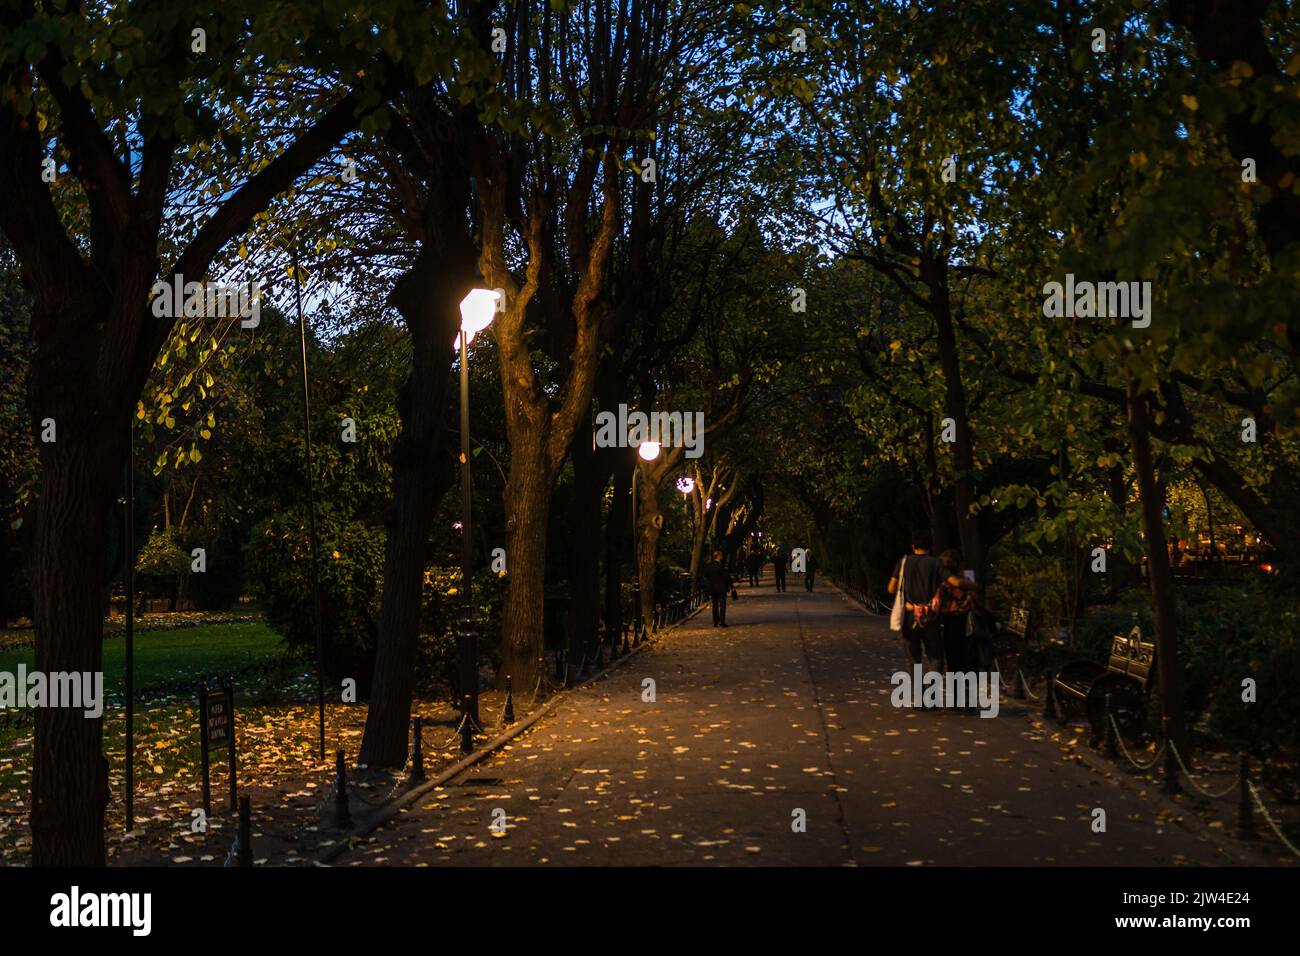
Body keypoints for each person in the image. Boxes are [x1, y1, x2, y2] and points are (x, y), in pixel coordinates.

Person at [887, 530, 943, 681]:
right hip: (931, 615)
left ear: (913, 546)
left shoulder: (904, 562)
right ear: (930, 547)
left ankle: (919, 698)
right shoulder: (936, 563)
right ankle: (932, 697)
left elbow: (891, 588)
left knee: (914, 659)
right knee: (935, 656)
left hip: (909, 616)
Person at [936, 549, 977, 677]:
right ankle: (961, 674)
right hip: (964, 618)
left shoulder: (943, 582)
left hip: (948, 618)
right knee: (962, 649)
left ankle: (954, 676)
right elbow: (972, 597)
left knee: (951, 651)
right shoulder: (966, 581)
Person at [702, 550, 733, 627]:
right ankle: (722, 622)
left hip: (712, 588)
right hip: (722, 588)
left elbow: (706, 575)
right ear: (718, 556)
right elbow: (726, 577)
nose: (722, 557)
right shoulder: (721, 566)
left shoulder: (709, 565)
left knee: (714, 605)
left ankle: (715, 622)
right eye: (721, 555)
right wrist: (730, 584)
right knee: (722, 605)